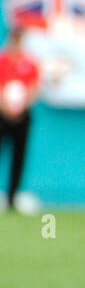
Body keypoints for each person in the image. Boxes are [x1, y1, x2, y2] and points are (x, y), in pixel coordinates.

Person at [0, 26, 40, 212]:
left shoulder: (30, 62)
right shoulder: (2, 61)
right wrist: (6, 106)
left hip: (22, 114)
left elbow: (34, 86)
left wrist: (21, 105)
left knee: (19, 156)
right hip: (2, 114)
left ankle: (12, 197)